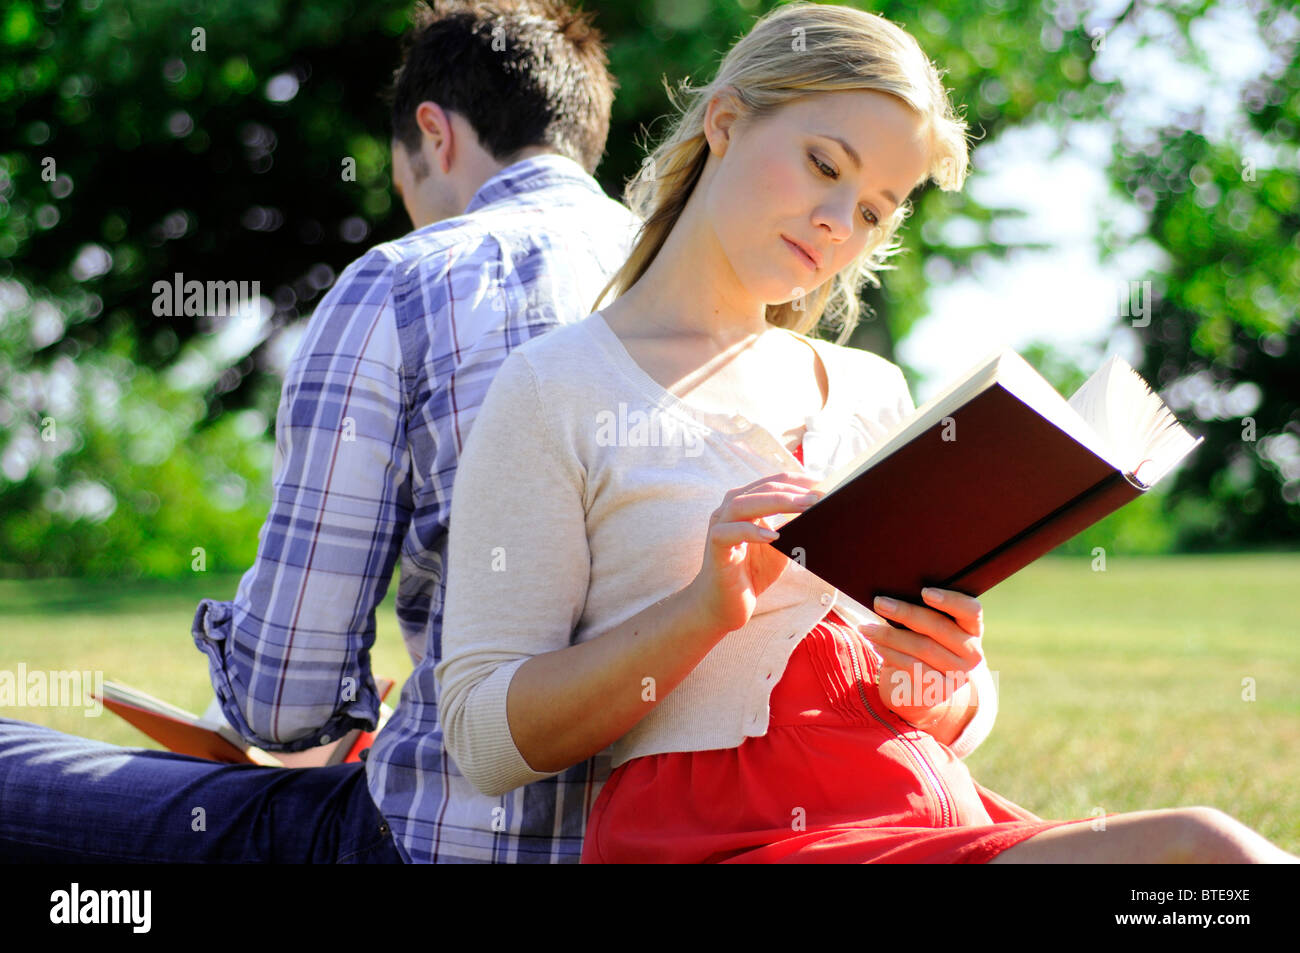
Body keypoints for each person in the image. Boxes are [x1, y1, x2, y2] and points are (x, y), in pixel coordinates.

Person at [434, 2, 1300, 863]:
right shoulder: (558, 388)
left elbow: (959, 716)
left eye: (878, 211)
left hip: (929, 816)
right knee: (1202, 854)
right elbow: (482, 736)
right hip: (732, 835)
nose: (839, 222)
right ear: (727, 121)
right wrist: (699, 613)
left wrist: (939, 671)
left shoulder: (870, 390)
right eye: (823, 166)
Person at [0, 0, 639, 864]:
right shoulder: (700, 285)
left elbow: (285, 704)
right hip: (659, 829)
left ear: (434, 135)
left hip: (431, 839)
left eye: (404, 182)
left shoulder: (407, 281)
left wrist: (300, 695)